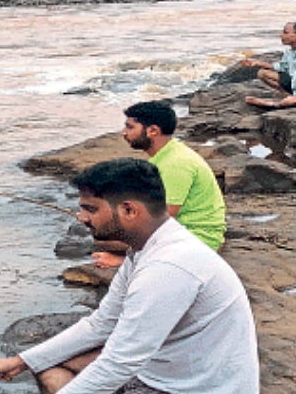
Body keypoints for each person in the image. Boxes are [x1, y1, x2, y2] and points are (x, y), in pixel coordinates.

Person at [0, 158, 260, 394]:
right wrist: (18, 362)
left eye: (90, 209)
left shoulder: (169, 266)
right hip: (159, 372)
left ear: (129, 210)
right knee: (48, 365)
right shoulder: (144, 250)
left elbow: (121, 360)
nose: (81, 217)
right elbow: (101, 324)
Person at [91, 100, 226, 268]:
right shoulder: (167, 154)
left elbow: (164, 218)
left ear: (153, 131)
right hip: (183, 231)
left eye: (130, 127)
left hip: (198, 238)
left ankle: (126, 262)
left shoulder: (175, 163)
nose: (124, 133)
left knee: (106, 238)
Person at [240, 21, 296, 109]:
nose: (281, 35)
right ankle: (289, 96)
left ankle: (276, 104)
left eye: (286, 33)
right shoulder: (290, 51)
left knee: (289, 102)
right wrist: (258, 63)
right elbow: (282, 67)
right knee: (262, 73)